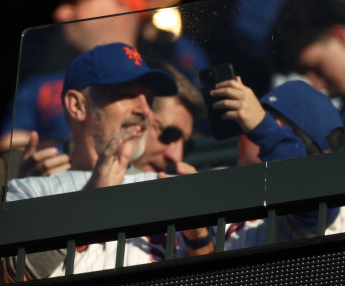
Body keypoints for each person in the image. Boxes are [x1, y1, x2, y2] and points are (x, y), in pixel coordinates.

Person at [2, 43, 212, 278]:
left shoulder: (175, 189)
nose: (145, 110)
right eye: (127, 93)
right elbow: (8, 276)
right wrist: (91, 204)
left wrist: (200, 240)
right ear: (77, 105)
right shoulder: (31, 190)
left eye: (149, 100)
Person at [1, 0, 147, 158]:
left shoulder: (166, 78)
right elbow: (10, 152)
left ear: (121, 4)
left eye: (75, 1)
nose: (59, 13)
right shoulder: (37, 87)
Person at [204, 78, 345, 245]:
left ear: (278, 129)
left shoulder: (334, 207)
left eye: (250, 123)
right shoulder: (220, 179)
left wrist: (264, 129)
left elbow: (309, 197)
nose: (245, 131)